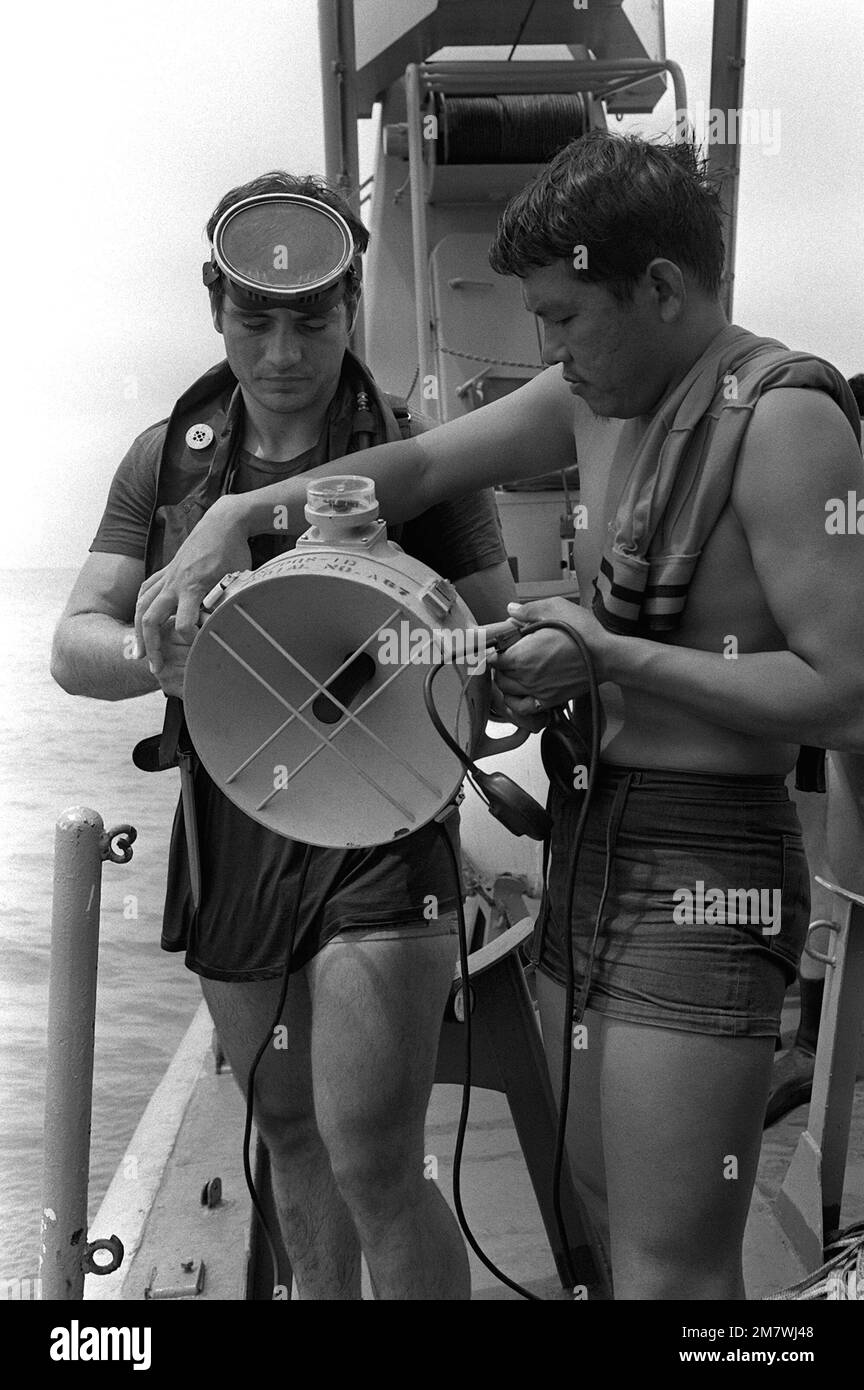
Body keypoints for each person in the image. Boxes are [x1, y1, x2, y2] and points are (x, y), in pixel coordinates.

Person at [135, 132, 864, 1300]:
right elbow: (412, 472)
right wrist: (239, 520)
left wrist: (607, 651)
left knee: (675, 1263)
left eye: (566, 315)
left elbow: (845, 688)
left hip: (702, 850)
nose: (550, 347)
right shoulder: (589, 398)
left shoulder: (783, 422)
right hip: (589, 830)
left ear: (665, 290)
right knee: (602, 1202)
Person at [51, 172, 518, 1301]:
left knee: (373, 1154)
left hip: (380, 829)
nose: (281, 352)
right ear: (215, 310)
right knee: (290, 1127)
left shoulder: (418, 456)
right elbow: (76, 641)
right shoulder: (167, 458)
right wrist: (151, 659)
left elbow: (492, 666)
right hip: (232, 827)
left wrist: (412, 620)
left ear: (352, 308)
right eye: (253, 321)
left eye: (310, 320)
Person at [766, 373, 864, 1125]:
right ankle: (812, 1046)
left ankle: (820, 1048)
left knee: (839, 879)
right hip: (833, 706)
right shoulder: (841, 414)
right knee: (830, 875)